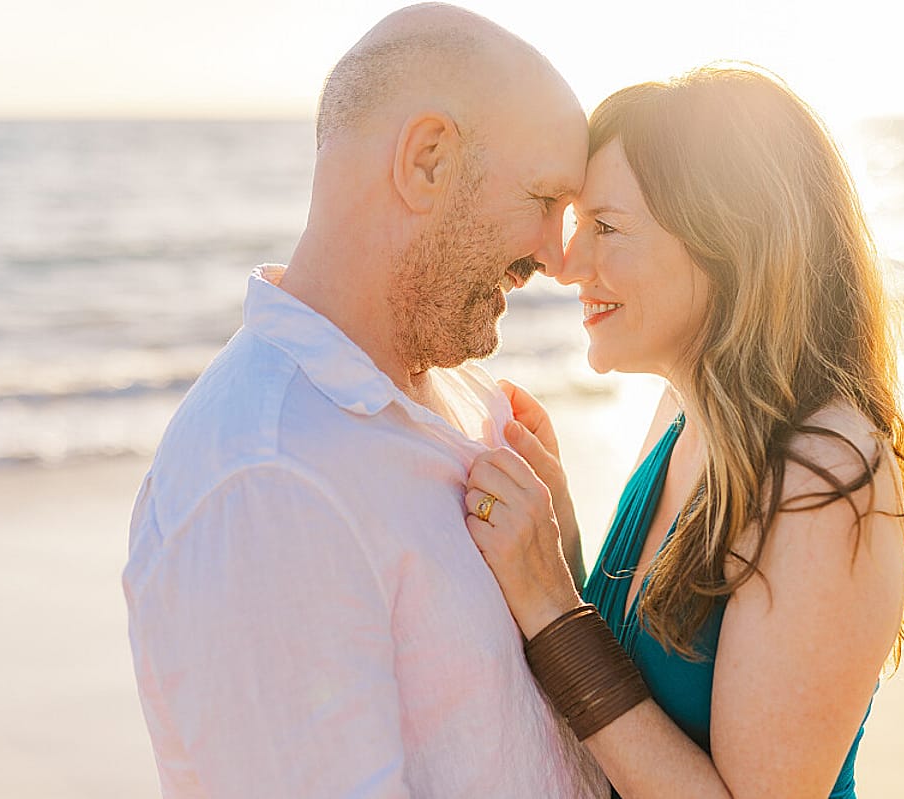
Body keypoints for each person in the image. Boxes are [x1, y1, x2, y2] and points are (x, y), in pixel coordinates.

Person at [122, 5, 607, 797]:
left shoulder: (471, 401)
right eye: (544, 199)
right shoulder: (266, 480)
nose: (559, 256)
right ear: (427, 162)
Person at [464, 65, 904, 798]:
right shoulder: (683, 412)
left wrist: (549, 603)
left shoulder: (824, 473)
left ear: (730, 242)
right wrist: (559, 538)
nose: (566, 264)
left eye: (605, 227)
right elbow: (634, 691)